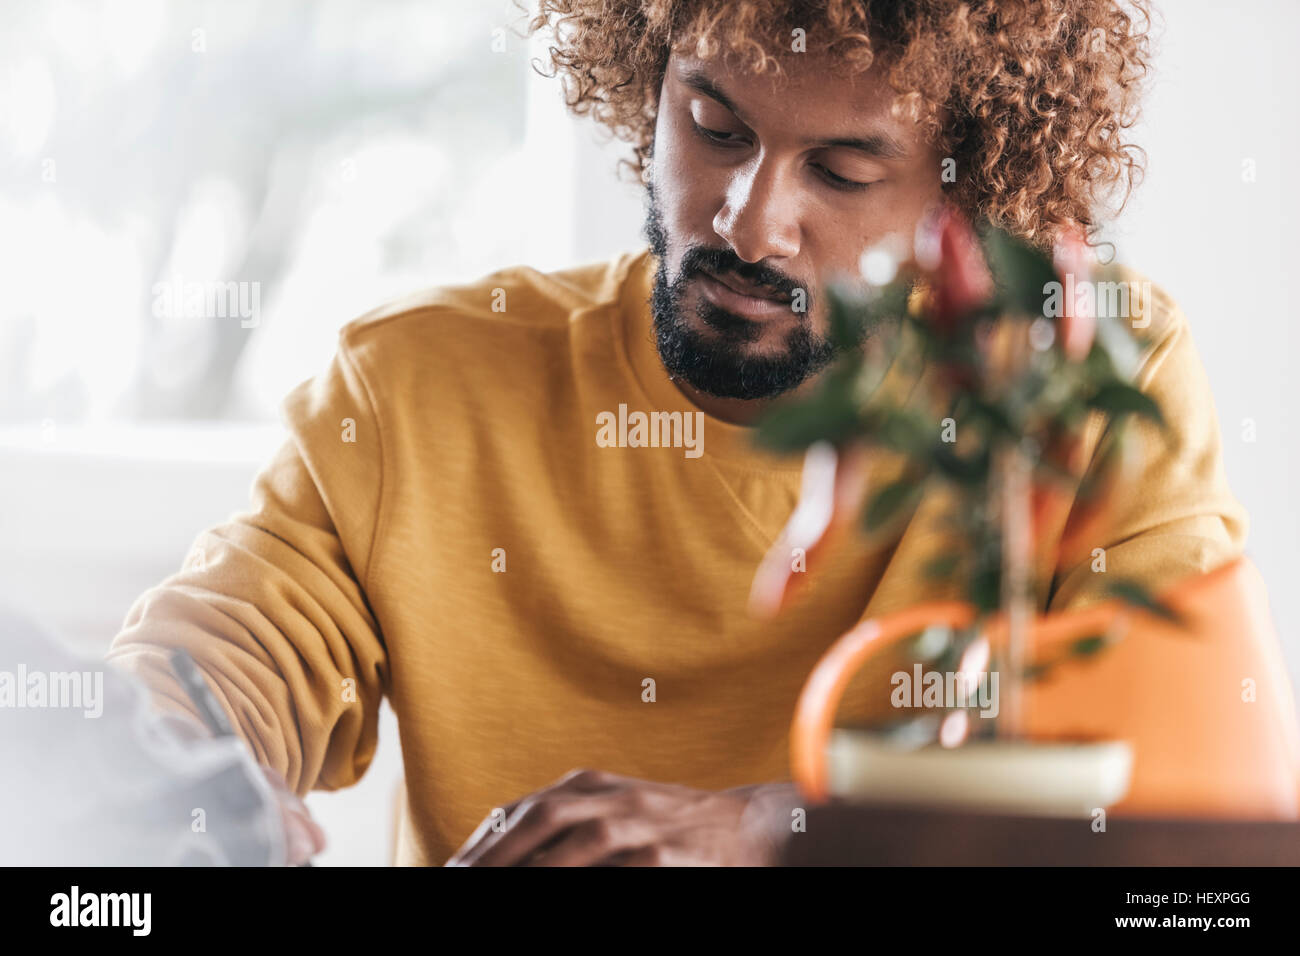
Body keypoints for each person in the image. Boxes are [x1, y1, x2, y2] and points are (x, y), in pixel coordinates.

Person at [106, 0, 1298, 866]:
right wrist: (180, 781)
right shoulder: (421, 382)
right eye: (715, 127)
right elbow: (218, 656)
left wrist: (773, 831)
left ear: (960, 195)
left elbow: (1207, 840)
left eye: (840, 170)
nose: (747, 220)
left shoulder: (1074, 375)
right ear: (646, 83)